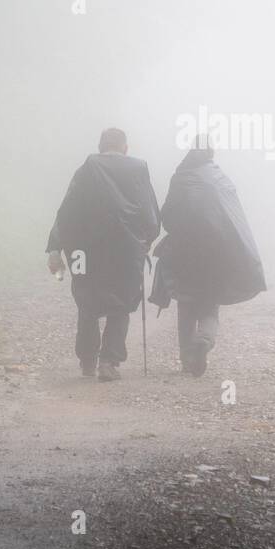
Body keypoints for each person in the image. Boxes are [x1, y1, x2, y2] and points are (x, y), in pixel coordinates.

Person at [46, 128, 160, 381]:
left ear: (100, 147)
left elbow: (66, 212)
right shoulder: (139, 169)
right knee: (120, 305)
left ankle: (87, 360)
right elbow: (150, 212)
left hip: (85, 251)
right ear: (125, 148)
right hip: (126, 249)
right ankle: (109, 361)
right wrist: (147, 241)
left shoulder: (86, 169)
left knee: (87, 302)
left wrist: (54, 248)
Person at [150, 145, 265, 376]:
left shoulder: (181, 178)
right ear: (211, 156)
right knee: (210, 304)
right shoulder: (222, 181)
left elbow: (167, 216)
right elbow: (235, 218)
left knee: (186, 302)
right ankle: (203, 340)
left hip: (185, 251)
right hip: (218, 253)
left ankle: (186, 359)